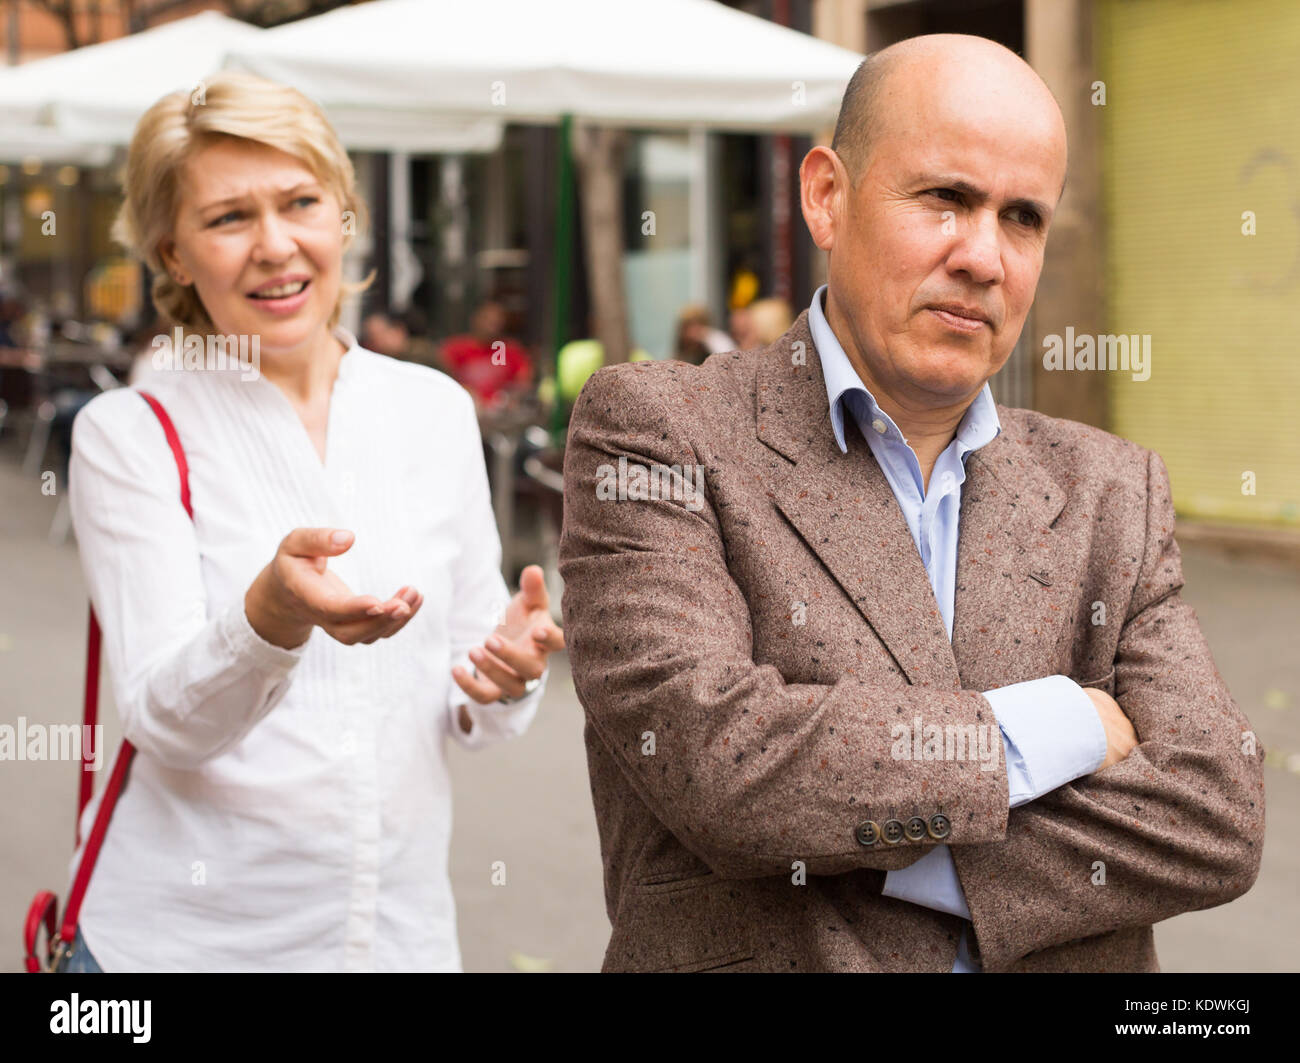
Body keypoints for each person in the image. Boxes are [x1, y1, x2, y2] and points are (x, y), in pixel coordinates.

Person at [559, 34, 1264, 973]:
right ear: (827, 197)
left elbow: (1217, 814)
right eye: (946, 199)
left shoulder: (1111, 488)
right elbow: (720, 762)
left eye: (1022, 218)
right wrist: (1063, 726)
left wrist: (861, 836)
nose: (983, 256)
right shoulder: (658, 433)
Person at [63, 71, 564, 973]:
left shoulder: (432, 410)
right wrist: (268, 619)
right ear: (172, 252)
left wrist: (507, 673)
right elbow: (162, 721)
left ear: (343, 215)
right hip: (177, 949)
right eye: (227, 219)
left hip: (396, 940)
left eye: (300, 202)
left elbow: (467, 699)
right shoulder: (130, 434)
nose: (275, 246)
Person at [439, 300, 532, 407]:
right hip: (466, 407)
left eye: (497, 321)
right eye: (487, 319)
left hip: (501, 412)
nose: (492, 326)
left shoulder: (511, 351)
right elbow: (444, 381)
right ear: (475, 319)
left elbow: (523, 384)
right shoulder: (455, 348)